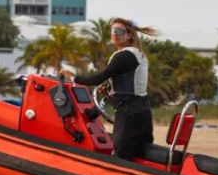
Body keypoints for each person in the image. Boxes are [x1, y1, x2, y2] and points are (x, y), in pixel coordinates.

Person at [61, 18, 157, 160]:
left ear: (129, 35)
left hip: (129, 114)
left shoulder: (124, 55)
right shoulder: (139, 54)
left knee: (120, 156)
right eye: (113, 31)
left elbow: (99, 77)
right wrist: (109, 89)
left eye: (119, 31)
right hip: (143, 113)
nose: (114, 34)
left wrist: (73, 78)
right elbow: (129, 82)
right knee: (139, 155)